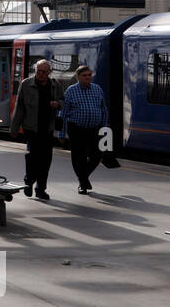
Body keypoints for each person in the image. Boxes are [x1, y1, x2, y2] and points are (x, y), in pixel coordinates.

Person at [9, 59, 64, 201]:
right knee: (33, 156)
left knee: (46, 160)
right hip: (31, 127)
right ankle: (29, 181)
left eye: (43, 72)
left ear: (49, 72)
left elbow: (63, 101)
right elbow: (19, 107)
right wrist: (14, 128)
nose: (40, 74)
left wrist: (57, 104)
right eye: (38, 71)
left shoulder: (55, 85)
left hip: (47, 128)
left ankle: (40, 189)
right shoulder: (26, 84)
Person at [61, 64, 110, 194]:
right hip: (77, 129)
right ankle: (83, 183)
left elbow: (103, 109)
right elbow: (64, 113)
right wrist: (61, 133)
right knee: (79, 157)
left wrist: (104, 127)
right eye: (84, 75)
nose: (88, 77)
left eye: (89, 75)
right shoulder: (71, 91)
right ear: (78, 77)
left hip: (95, 129)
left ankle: (82, 177)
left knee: (97, 155)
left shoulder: (97, 89)